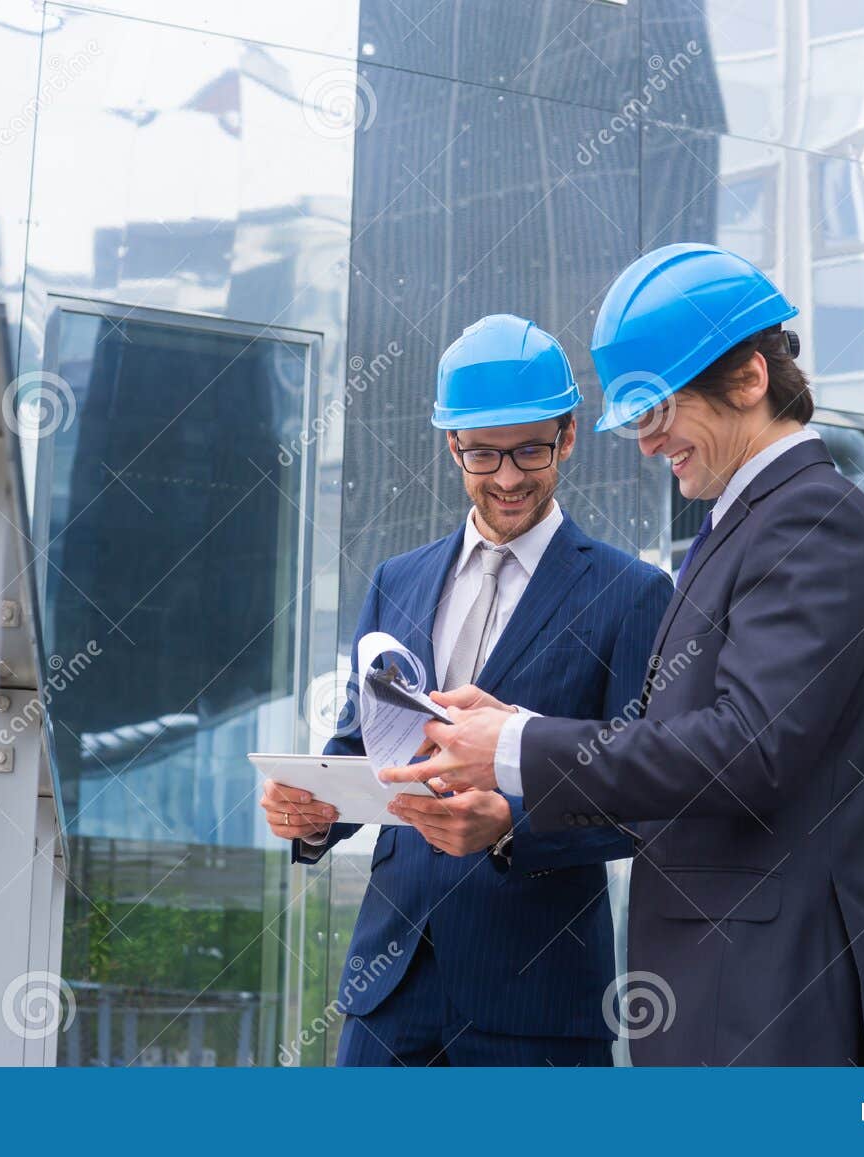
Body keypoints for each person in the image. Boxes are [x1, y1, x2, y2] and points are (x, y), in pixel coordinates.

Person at [383, 246, 864, 1066]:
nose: (646, 444)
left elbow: (749, 747)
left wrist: (516, 743)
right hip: (723, 992)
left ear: (748, 380)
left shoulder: (812, 520)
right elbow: (680, 750)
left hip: (767, 998)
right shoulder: (740, 526)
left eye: (658, 413)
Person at [260, 314, 671, 1066]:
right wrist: (315, 813)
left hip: (536, 995)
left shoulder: (633, 593)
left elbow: (645, 795)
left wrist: (511, 824)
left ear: (569, 438)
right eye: (484, 453)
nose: (509, 476)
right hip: (390, 981)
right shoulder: (398, 581)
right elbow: (361, 746)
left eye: (531, 450)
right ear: (452, 445)